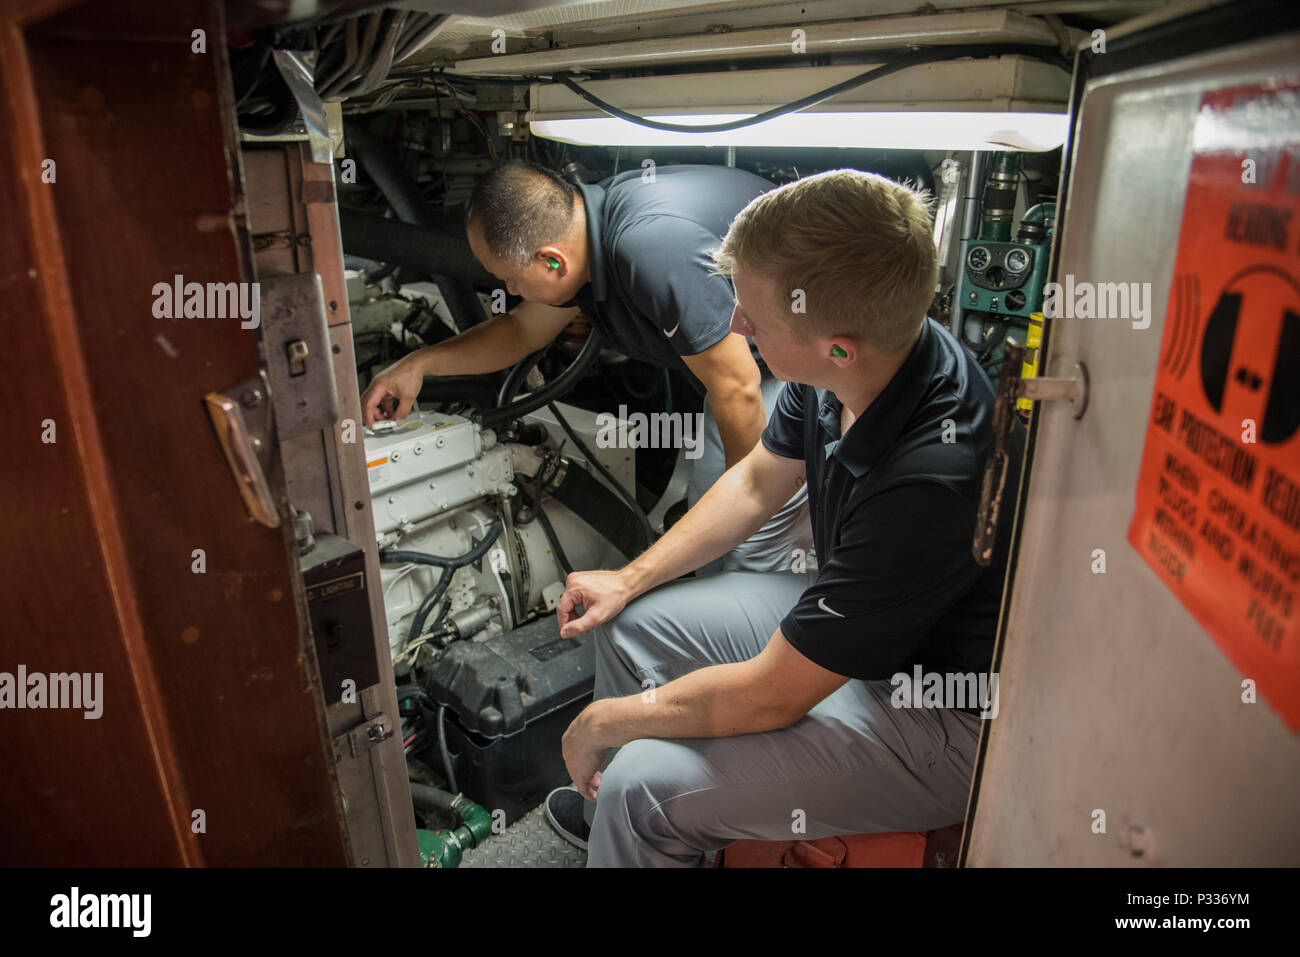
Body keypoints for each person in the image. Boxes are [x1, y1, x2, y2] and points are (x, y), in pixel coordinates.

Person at [545, 168, 1026, 866]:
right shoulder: (847, 369)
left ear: (838, 345)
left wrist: (602, 721)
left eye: (755, 317)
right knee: (629, 625)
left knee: (644, 784)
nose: (735, 324)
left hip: (940, 708)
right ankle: (631, 833)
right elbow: (757, 483)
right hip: (866, 629)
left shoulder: (933, 477)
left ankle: (637, 816)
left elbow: (772, 695)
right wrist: (630, 577)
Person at [360, 160, 812, 573]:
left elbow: (739, 388)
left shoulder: (647, 245)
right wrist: (419, 364)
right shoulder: (581, 234)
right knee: (716, 542)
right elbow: (519, 332)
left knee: (743, 550)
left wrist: (747, 510)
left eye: (510, 278)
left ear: (552, 260)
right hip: (749, 371)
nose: (510, 288)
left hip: (807, 366)